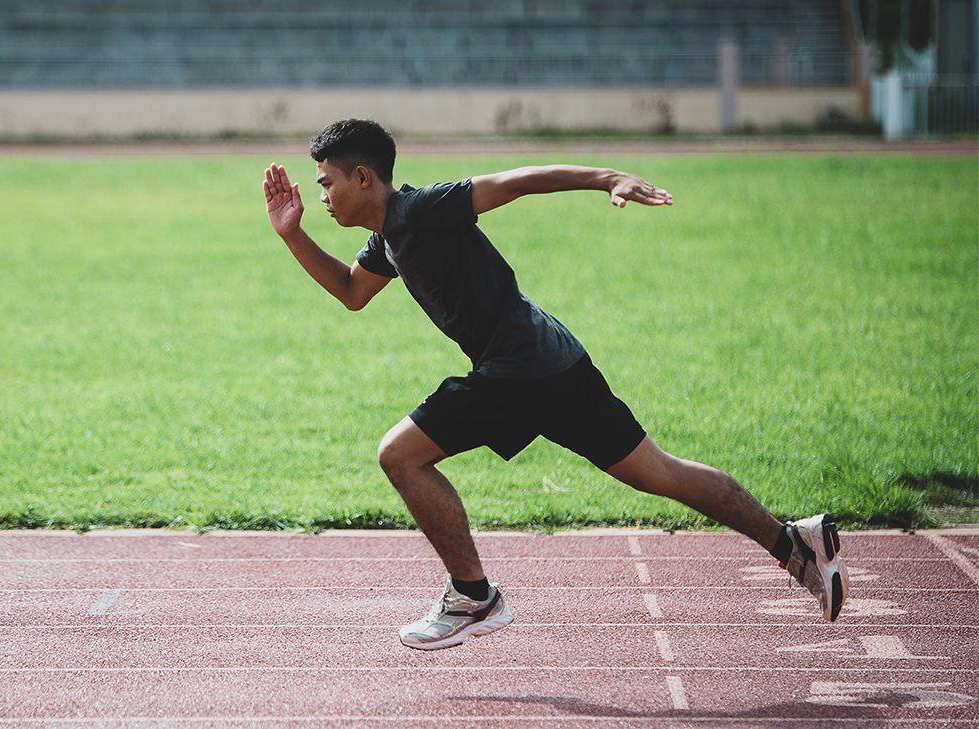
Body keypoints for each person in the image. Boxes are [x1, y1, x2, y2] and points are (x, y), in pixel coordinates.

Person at [262, 119, 849, 651]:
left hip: (518, 369)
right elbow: (352, 292)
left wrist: (607, 178)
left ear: (363, 177)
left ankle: (473, 596)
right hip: (554, 362)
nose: (322, 196)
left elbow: (515, 182)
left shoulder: (421, 210)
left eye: (326, 183)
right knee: (659, 473)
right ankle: (791, 542)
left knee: (399, 455)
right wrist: (291, 234)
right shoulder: (389, 238)